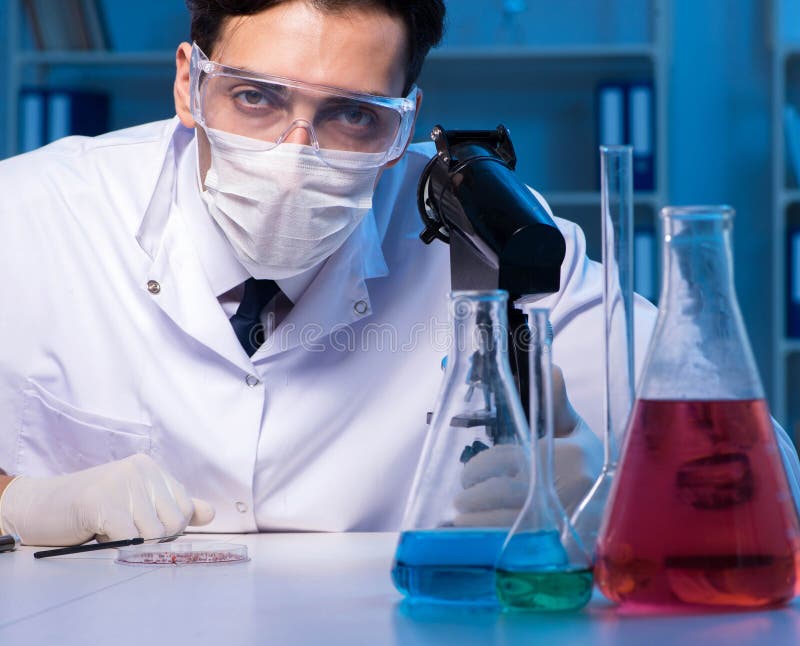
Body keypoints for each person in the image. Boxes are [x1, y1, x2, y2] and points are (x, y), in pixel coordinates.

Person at [0, 0, 793, 548]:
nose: (294, 154)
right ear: (188, 82)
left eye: (353, 116)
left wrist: (609, 490)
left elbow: (768, 481)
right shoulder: (31, 215)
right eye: (254, 98)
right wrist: (20, 502)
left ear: (404, 120)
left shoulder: (489, 235)